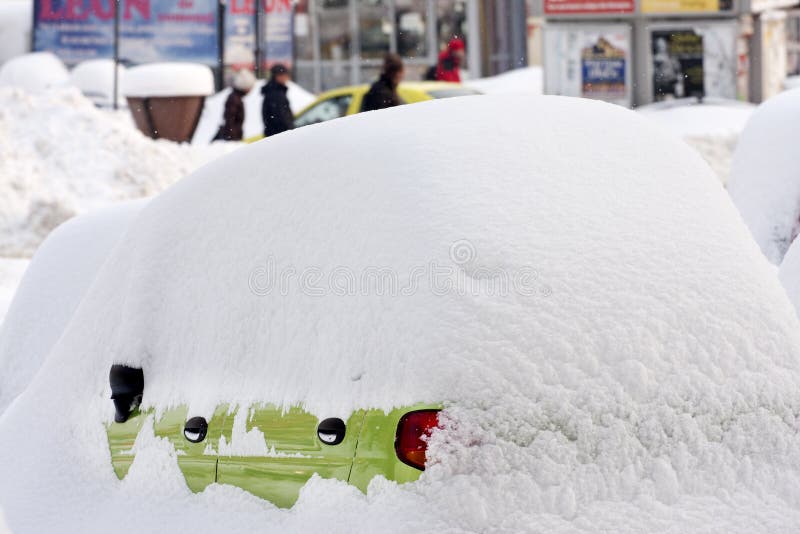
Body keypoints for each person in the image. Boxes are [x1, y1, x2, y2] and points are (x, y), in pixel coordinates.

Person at [213, 69, 256, 142]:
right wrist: (233, 138)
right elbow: (230, 120)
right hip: (232, 138)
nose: (251, 89)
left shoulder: (236, 98)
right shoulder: (235, 99)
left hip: (232, 136)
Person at [261, 63, 294, 137]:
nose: (287, 78)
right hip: (279, 136)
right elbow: (281, 118)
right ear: (278, 76)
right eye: (285, 75)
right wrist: (289, 132)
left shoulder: (272, 91)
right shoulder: (276, 94)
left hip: (273, 135)